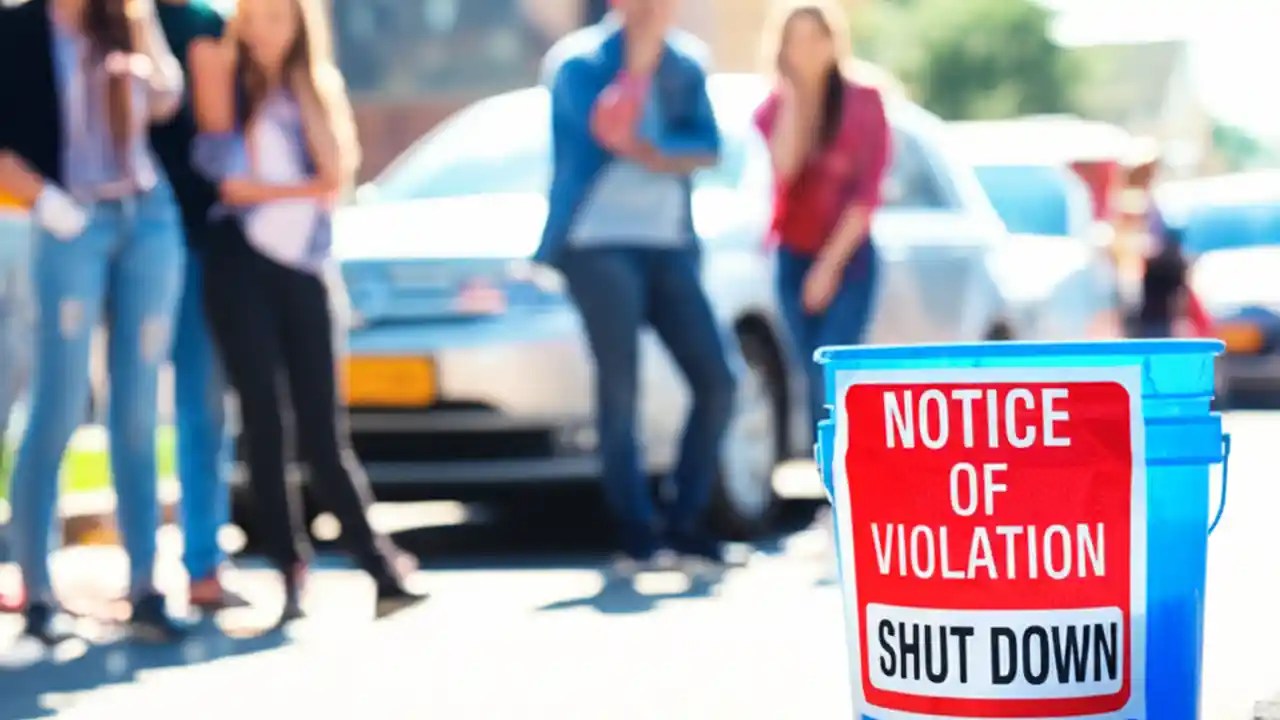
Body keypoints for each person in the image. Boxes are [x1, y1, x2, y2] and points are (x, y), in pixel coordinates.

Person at [189, 0, 424, 623]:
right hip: (241, 262)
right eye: (257, 16)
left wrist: (300, 89)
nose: (266, 31)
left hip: (306, 267)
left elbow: (334, 174)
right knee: (265, 421)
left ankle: (378, 566)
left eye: (280, 18)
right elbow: (228, 180)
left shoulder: (313, 87)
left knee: (323, 429)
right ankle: (290, 570)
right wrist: (296, 185)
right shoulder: (226, 76)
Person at [0, 0, 189, 642]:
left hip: (147, 217)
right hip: (65, 220)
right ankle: (39, 591)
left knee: (136, 412)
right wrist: (48, 202)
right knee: (57, 403)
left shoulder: (127, 16)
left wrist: (139, 57)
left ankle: (145, 584)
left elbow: (168, 99)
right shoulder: (15, 28)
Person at [539, 0, 738, 573]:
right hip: (596, 243)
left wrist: (658, 151)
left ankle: (687, 522)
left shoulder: (689, 63)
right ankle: (636, 531)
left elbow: (709, 147)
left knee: (718, 379)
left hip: (669, 243)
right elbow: (608, 132)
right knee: (622, 385)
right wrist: (638, 69)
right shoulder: (578, 63)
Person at [753, 0, 890, 430]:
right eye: (796, 40)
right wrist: (798, 99)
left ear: (834, 43)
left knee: (836, 369)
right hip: (793, 255)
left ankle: (851, 482)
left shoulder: (866, 102)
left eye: (816, 37)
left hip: (848, 257)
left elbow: (866, 196)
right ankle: (828, 483)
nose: (807, 48)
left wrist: (828, 268)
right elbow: (785, 171)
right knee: (810, 377)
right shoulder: (771, 111)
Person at [151, 0, 243, 610]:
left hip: (195, 239)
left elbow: (216, 130)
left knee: (200, 406)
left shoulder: (205, 25)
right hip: (106, 234)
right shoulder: (84, 21)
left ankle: (204, 563)